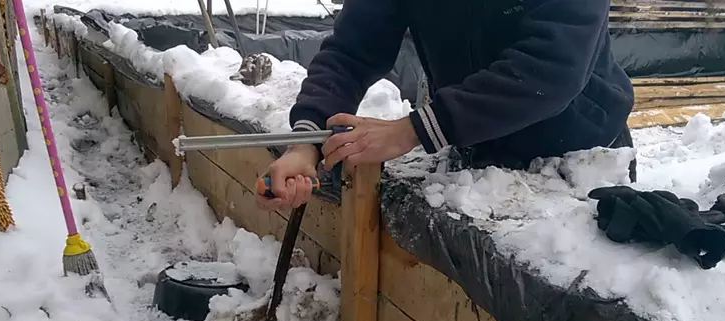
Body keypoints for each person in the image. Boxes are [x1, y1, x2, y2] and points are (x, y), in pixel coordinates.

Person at [256, 0, 635, 210]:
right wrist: (306, 142)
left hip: (577, 156)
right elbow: (351, 51)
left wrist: (414, 130)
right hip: (477, 147)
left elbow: (553, 68)